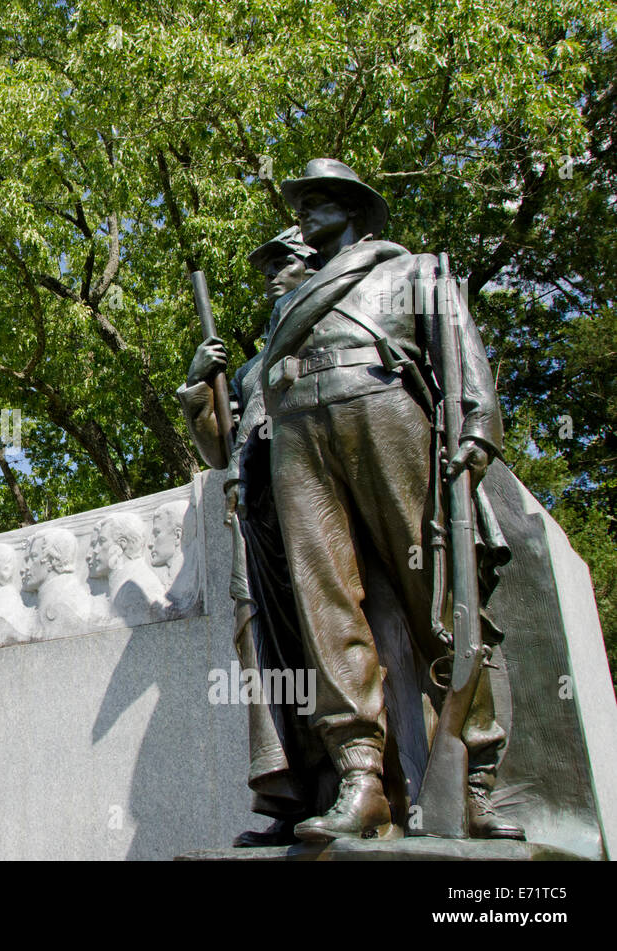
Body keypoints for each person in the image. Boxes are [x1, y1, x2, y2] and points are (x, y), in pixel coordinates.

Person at [259, 158, 520, 841]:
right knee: (327, 605)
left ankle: (479, 778)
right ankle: (361, 777)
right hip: (298, 430)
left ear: (352, 207)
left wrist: (475, 429)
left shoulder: (413, 271)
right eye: (302, 204)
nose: (305, 214)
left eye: (318, 202)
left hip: (383, 410)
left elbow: (459, 350)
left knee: (434, 595)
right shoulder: (289, 300)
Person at [179, 227, 332, 846]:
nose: (272, 273)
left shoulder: (332, 334)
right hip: (259, 517)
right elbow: (222, 451)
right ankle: (292, 798)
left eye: (284, 261)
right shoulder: (249, 369)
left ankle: (356, 783)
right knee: (268, 656)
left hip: (319, 511)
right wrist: (199, 386)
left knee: (330, 641)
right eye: (265, 265)